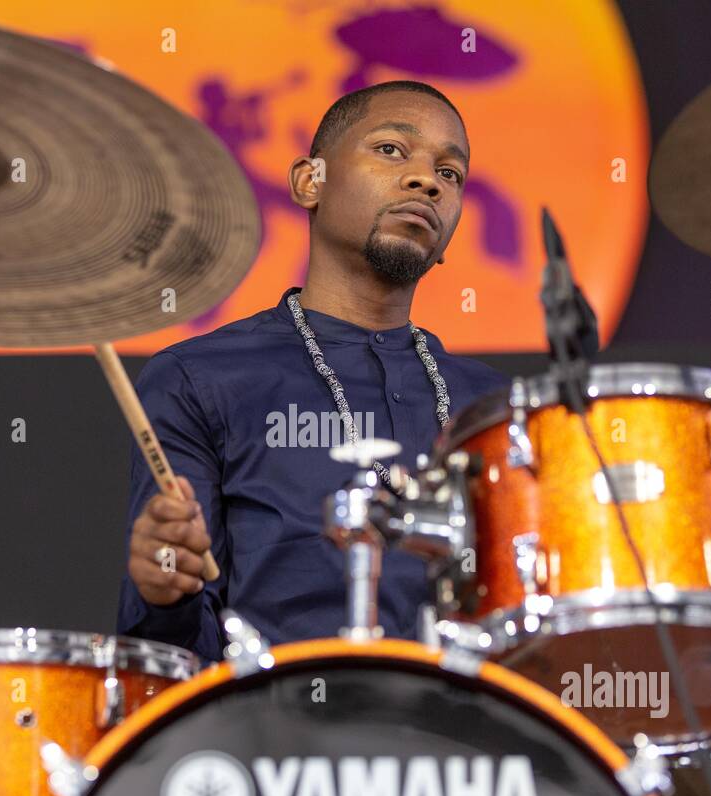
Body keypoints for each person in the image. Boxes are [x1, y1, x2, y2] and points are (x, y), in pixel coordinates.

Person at [119, 80, 507, 662]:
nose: (427, 180)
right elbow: (171, 660)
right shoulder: (198, 379)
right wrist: (163, 592)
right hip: (274, 740)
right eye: (391, 150)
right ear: (309, 182)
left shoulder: (495, 406)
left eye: (450, 174)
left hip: (468, 739)